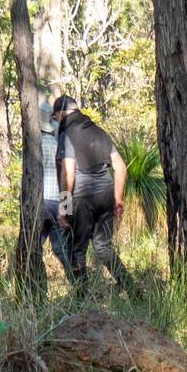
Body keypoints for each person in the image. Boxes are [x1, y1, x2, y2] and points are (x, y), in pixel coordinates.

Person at [54, 95, 133, 294]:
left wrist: (64, 208)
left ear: (61, 114)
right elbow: (121, 167)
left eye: (56, 118)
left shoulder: (68, 133)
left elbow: (67, 173)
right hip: (106, 194)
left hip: (82, 198)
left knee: (77, 249)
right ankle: (133, 291)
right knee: (103, 246)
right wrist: (118, 199)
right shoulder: (99, 131)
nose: (56, 123)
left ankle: (82, 298)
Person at [39, 100, 71, 276]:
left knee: (34, 247)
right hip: (59, 202)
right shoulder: (62, 144)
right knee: (62, 248)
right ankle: (78, 284)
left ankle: (37, 288)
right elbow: (68, 176)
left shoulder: (34, 146)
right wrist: (67, 208)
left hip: (40, 202)